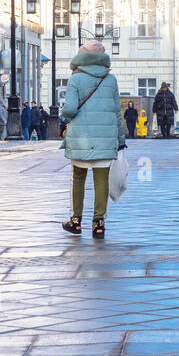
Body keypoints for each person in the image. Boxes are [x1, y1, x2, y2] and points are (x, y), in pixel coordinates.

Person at [59, 41, 126, 238]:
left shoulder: (75, 79)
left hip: (81, 137)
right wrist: (120, 139)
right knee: (101, 180)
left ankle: (76, 221)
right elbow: (116, 112)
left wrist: (65, 112)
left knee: (78, 178)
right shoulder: (110, 79)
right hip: (105, 138)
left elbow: (70, 109)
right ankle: (99, 223)